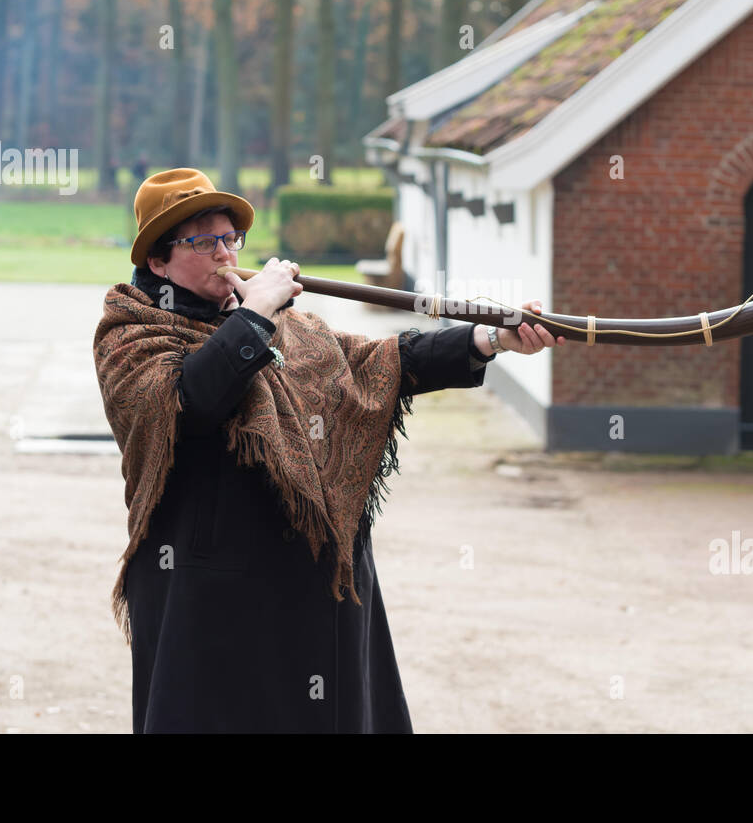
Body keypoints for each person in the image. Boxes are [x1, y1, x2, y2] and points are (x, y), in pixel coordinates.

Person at [92, 167, 564, 733]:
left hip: (313, 588)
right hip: (210, 600)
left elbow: (379, 362)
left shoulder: (285, 327)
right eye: (202, 241)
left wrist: (489, 339)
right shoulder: (130, 333)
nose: (223, 253)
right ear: (158, 262)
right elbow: (192, 403)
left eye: (229, 238)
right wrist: (253, 316)